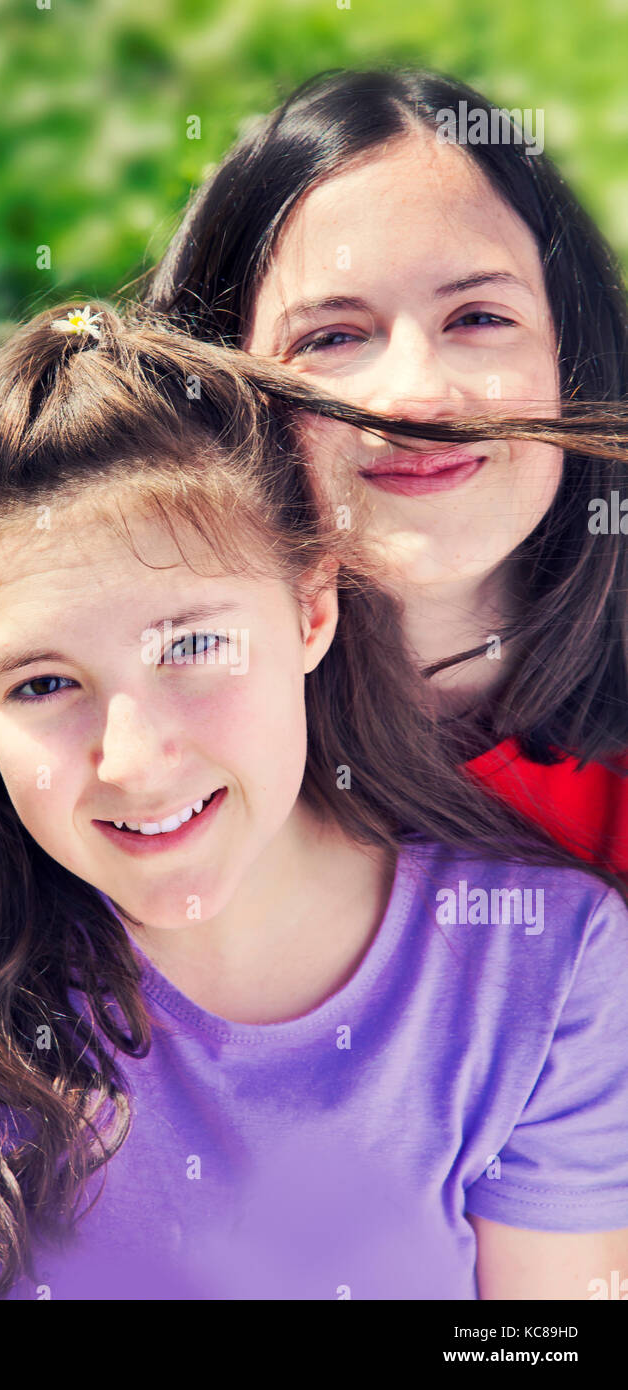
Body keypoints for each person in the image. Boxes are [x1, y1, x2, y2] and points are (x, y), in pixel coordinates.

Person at [0, 303, 627, 1301]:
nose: (132, 761)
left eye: (192, 647)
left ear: (309, 610)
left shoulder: (543, 963)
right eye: (42, 685)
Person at [145, 65, 628, 877]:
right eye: (331, 336)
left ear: (573, 355)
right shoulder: (126, 745)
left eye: (478, 317)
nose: (415, 395)